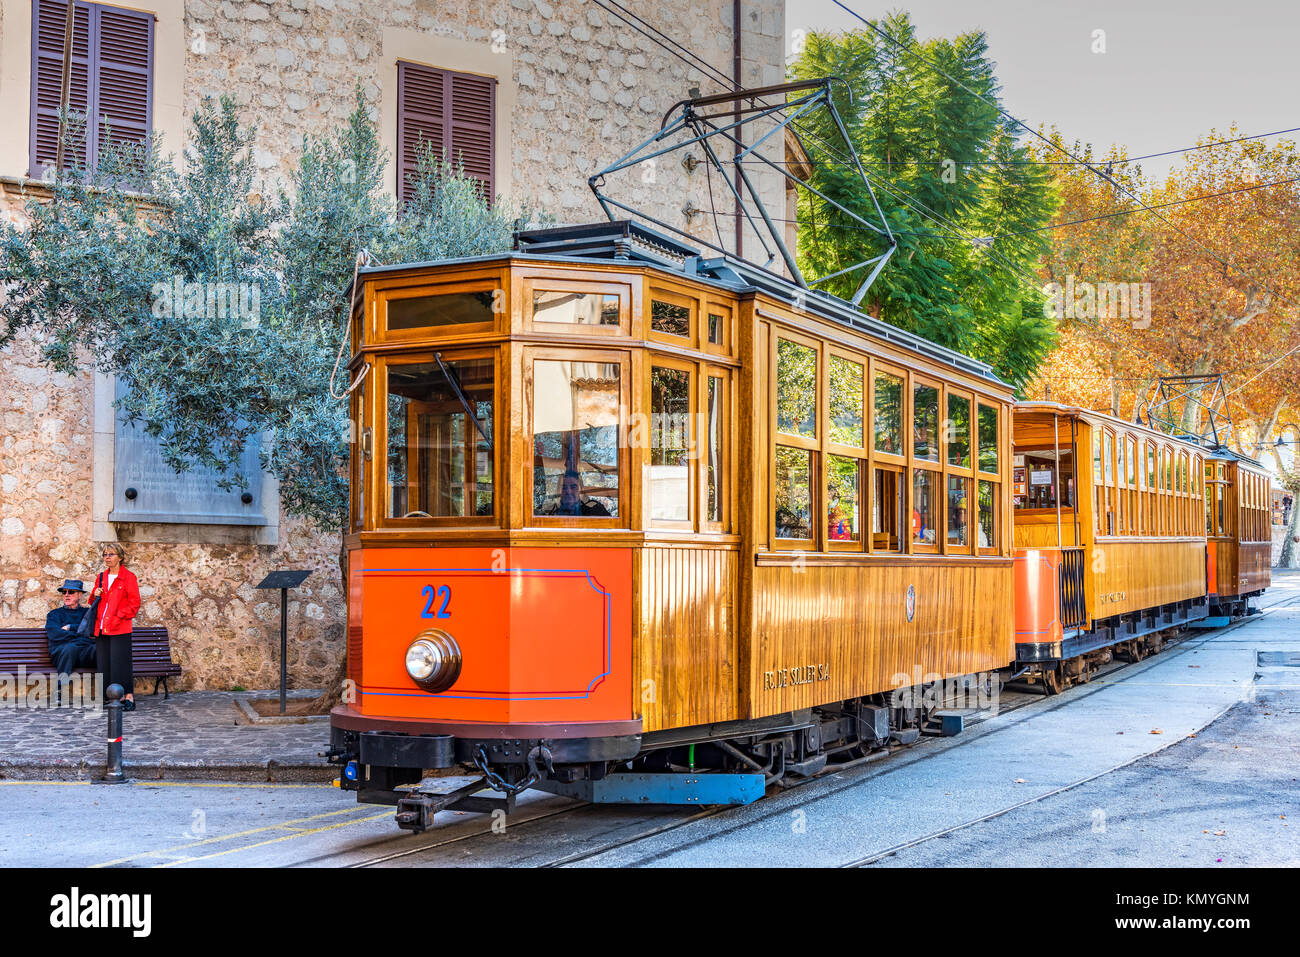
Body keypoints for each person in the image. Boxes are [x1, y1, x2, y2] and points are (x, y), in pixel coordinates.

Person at [89, 543, 141, 712]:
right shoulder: (101, 577)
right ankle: (110, 697)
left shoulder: (128, 577)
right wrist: (94, 594)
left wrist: (118, 616)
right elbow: (92, 603)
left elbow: (134, 604)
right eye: (105, 554)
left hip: (120, 627)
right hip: (102, 627)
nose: (107, 557)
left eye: (111, 554)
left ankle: (128, 697)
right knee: (104, 664)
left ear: (120, 557)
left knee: (121, 664)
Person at [45, 579, 96, 675]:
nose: (66, 595)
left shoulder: (86, 613)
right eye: (64, 592)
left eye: (71, 592)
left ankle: (109, 687)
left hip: (83, 652)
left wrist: (70, 627)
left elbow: (91, 630)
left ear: (80, 595)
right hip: (63, 653)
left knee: (100, 649)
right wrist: (80, 633)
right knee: (70, 648)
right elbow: (55, 635)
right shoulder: (54, 614)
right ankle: (61, 688)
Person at [544, 469, 610, 517]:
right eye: (564, 487)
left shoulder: (595, 509)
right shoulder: (550, 512)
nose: (568, 491)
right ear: (558, 490)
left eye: (573, 487)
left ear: (581, 489)